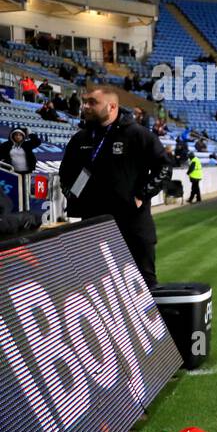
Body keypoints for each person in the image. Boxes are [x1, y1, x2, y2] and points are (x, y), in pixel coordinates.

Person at [58, 86, 171, 287]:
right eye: (85, 102)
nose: (86, 106)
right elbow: (65, 173)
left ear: (112, 106)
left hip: (132, 224)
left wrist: (141, 195)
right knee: (95, 288)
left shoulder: (137, 134)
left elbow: (163, 168)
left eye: (92, 102)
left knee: (144, 285)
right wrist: (73, 196)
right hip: (92, 225)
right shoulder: (80, 138)